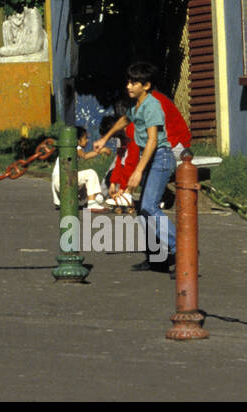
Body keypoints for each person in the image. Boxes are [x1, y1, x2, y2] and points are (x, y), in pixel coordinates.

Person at [94, 61, 175, 273]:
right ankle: (157, 258)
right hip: (149, 159)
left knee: (149, 206)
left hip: (160, 157)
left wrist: (138, 171)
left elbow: (152, 141)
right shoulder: (136, 105)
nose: (129, 86)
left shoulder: (152, 106)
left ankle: (181, 252)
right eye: (128, 81)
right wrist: (105, 138)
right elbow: (124, 120)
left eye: (134, 82)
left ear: (146, 85)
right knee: (142, 211)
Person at [50, 126, 110, 211]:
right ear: (77, 141)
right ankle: (92, 203)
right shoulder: (75, 147)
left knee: (85, 181)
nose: (87, 140)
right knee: (90, 173)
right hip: (63, 181)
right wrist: (101, 151)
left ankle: (92, 199)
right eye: (85, 138)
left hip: (59, 184)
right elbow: (85, 156)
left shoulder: (66, 148)